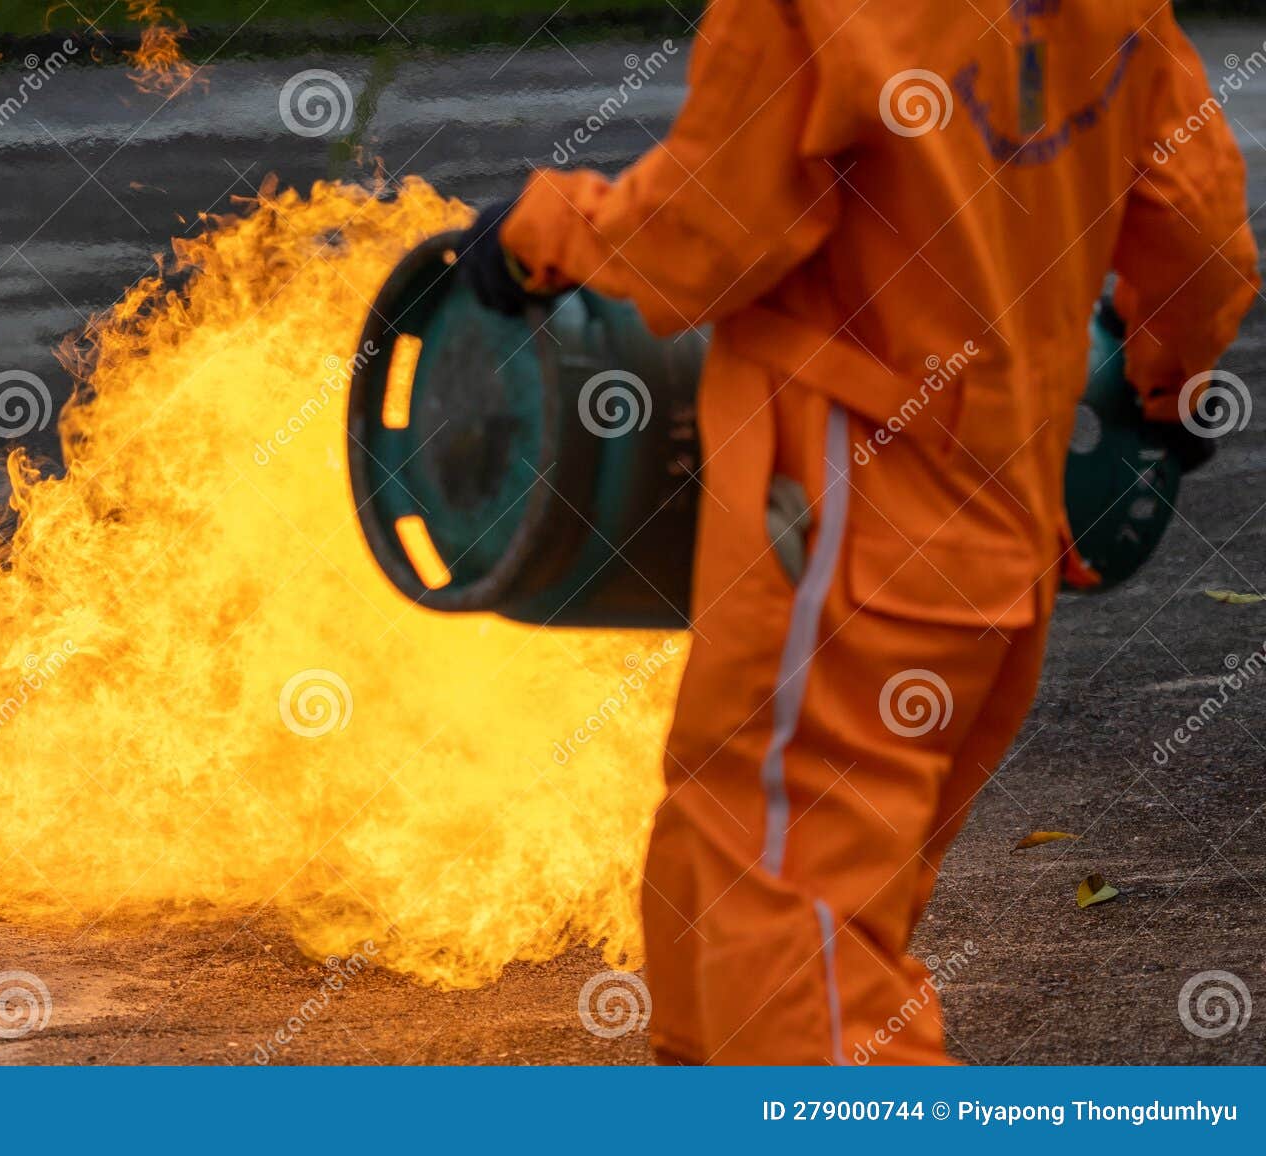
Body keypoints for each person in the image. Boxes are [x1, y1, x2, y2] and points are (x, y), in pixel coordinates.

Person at [458, 0, 1258, 1064]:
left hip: (848, 524)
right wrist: (1163, 390)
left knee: (799, 938)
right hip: (1001, 539)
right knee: (736, 859)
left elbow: (709, 237)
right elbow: (1196, 234)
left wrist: (538, 234)